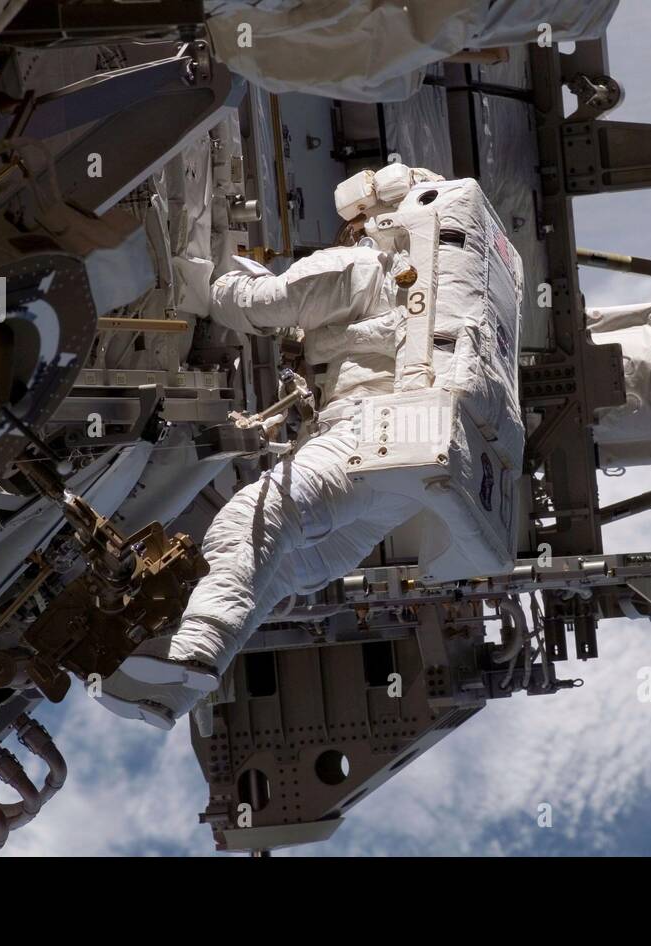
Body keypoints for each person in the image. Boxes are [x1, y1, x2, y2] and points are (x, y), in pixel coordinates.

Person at [99, 167, 447, 729]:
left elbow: (258, 304)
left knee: (254, 524)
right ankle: (170, 693)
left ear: (373, 220)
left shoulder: (362, 267)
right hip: (408, 481)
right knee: (277, 569)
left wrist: (218, 275)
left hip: (368, 441)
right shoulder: (446, 297)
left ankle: (194, 655)